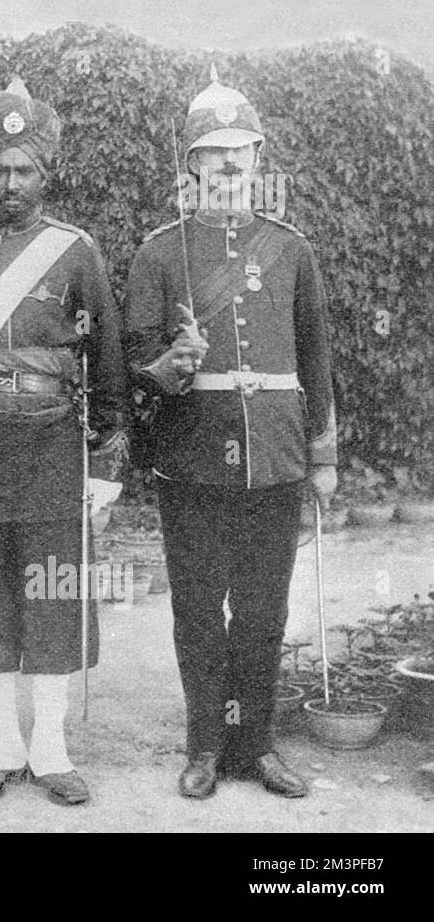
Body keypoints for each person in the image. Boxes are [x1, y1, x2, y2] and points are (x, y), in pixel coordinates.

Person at [123, 72, 337, 800]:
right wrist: (169, 367)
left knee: (263, 609)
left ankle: (258, 746)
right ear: (191, 165)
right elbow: (134, 368)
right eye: (211, 152)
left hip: (275, 455)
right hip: (192, 459)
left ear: (257, 157)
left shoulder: (291, 249)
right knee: (196, 608)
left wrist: (323, 456)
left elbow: (317, 356)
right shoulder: (159, 253)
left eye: (239, 150)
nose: (227, 164)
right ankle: (205, 746)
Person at [0, 78, 127, 805]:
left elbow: (108, 362)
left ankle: (50, 747)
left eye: (24, 170)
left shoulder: (76, 253)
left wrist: (105, 460)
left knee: (50, 595)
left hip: (49, 451)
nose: (10, 184)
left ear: (47, 174)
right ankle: (1, 745)